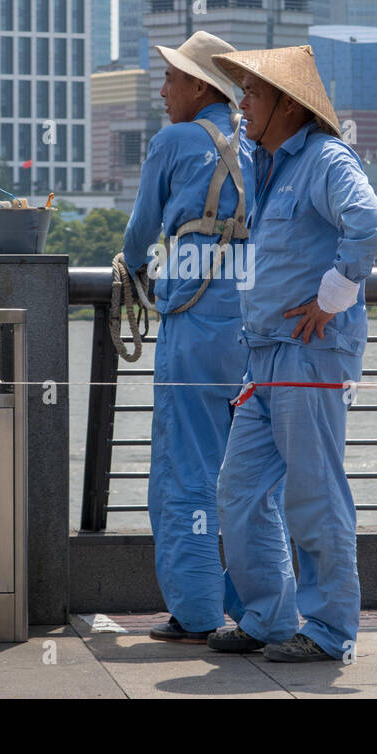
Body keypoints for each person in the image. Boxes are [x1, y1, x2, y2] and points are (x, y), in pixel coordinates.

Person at [205, 45, 377, 662]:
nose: (242, 104)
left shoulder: (324, 159)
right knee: (238, 492)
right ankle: (268, 616)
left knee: (313, 495)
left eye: (253, 94)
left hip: (310, 357)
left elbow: (370, 222)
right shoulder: (266, 166)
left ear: (288, 103)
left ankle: (329, 631)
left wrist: (333, 295)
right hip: (261, 359)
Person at [121, 31, 255, 643]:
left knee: (186, 472)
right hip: (252, 326)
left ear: (200, 86)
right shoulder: (256, 144)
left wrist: (133, 264)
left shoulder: (173, 141)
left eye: (171, 77)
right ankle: (254, 606)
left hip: (193, 322)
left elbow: (138, 236)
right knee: (247, 474)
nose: (163, 88)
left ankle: (198, 612)